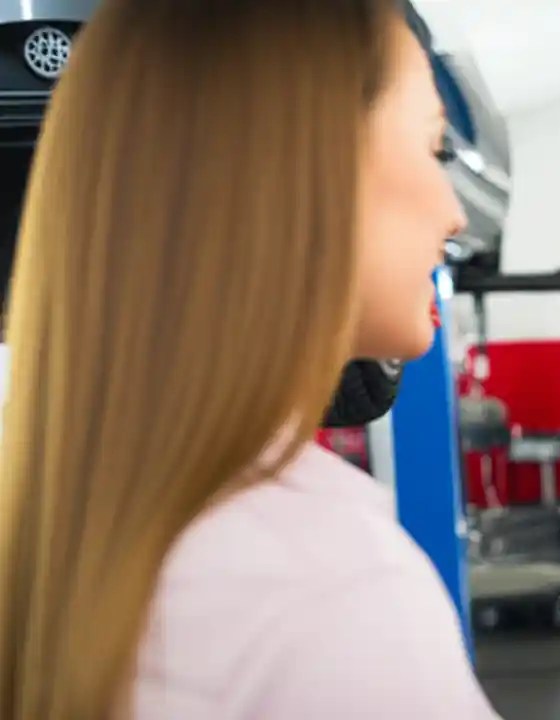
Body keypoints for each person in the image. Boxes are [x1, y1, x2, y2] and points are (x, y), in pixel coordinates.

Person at [0, 1, 501, 718]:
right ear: (303, 175)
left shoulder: (57, 502)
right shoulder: (330, 585)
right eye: (432, 146)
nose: (453, 213)